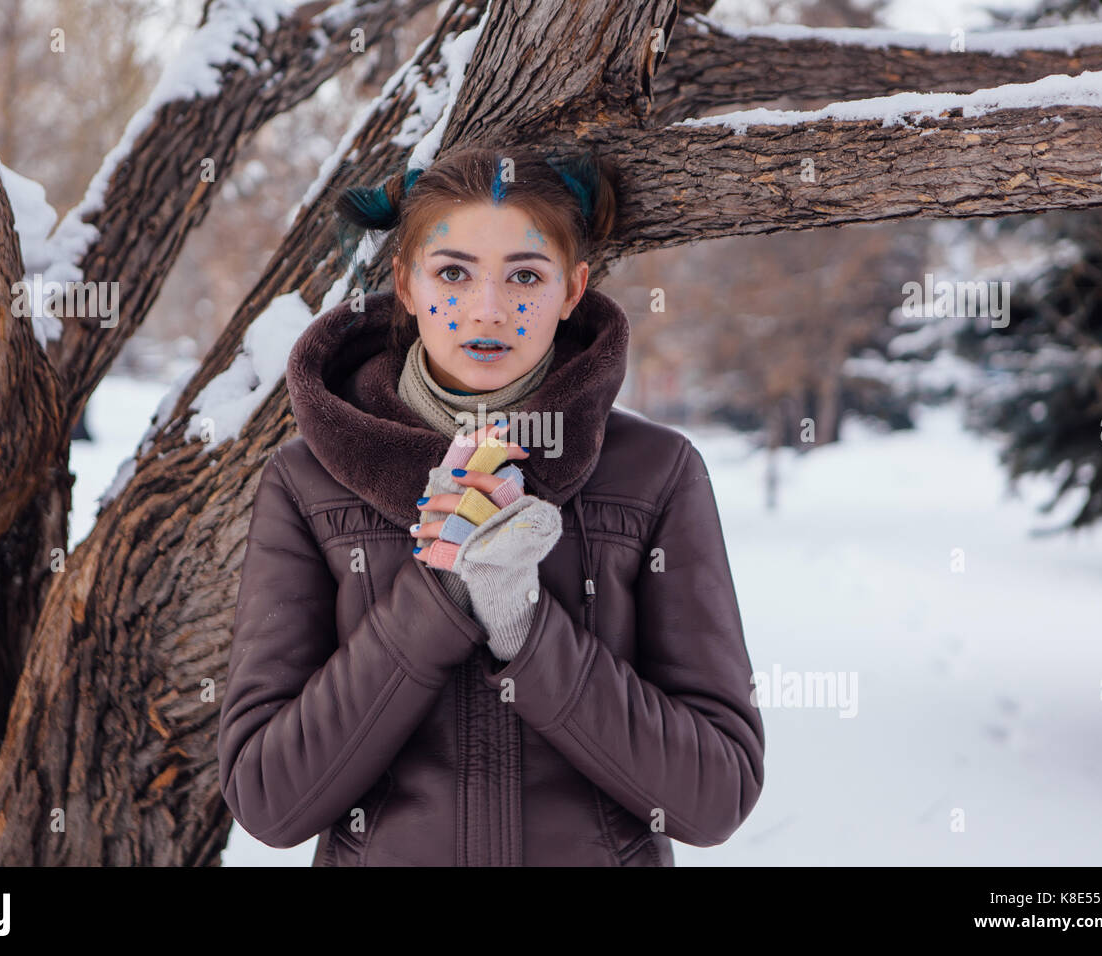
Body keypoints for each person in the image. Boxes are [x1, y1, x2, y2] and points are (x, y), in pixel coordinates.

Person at [217, 144, 764, 866]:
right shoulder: (308, 480)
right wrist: (440, 593)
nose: (487, 309)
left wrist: (524, 625)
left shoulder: (656, 474)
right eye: (452, 273)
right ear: (404, 286)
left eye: (525, 276)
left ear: (573, 291)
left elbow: (714, 795)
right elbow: (270, 800)